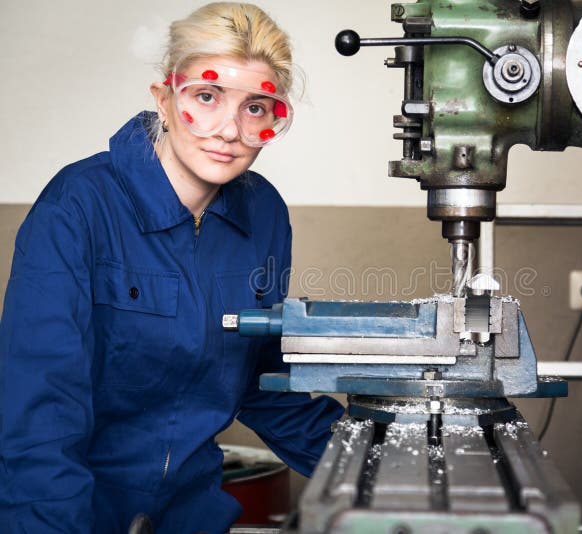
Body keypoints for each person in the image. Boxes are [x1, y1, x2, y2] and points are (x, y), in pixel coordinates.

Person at [0, 3, 344, 532]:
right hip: (79, 516)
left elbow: (261, 383)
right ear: (164, 98)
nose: (229, 130)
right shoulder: (78, 207)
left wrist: (374, 459)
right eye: (206, 97)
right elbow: (39, 412)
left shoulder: (264, 214)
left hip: (193, 517)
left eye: (255, 107)